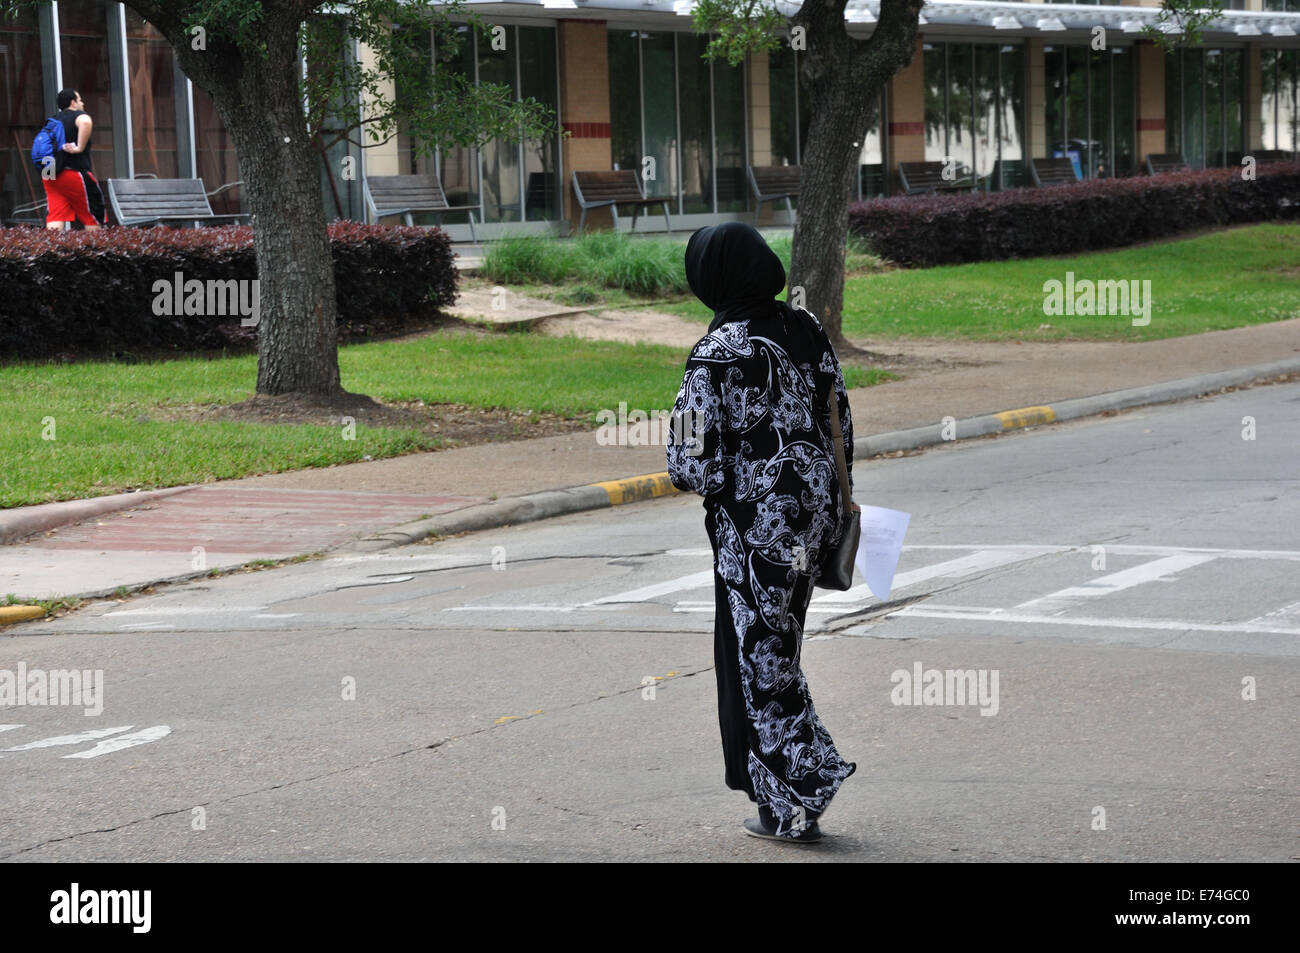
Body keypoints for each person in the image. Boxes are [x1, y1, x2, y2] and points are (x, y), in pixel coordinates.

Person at [666, 222, 857, 844]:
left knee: (760, 661)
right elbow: (840, 422)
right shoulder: (805, 329)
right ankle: (786, 794)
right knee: (779, 650)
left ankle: (799, 795)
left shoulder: (716, 351)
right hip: (814, 518)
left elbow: (691, 465)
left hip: (755, 532)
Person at [42, 89, 106, 230]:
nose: (82, 103)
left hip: (49, 171)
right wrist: (79, 148)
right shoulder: (78, 115)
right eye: (80, 100)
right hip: (72, 171)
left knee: (55, 214)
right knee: (92, 214)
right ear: (73, 102)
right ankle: (97, 249)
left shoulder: (52, 120)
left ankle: (51, 249)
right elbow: (85, 122)